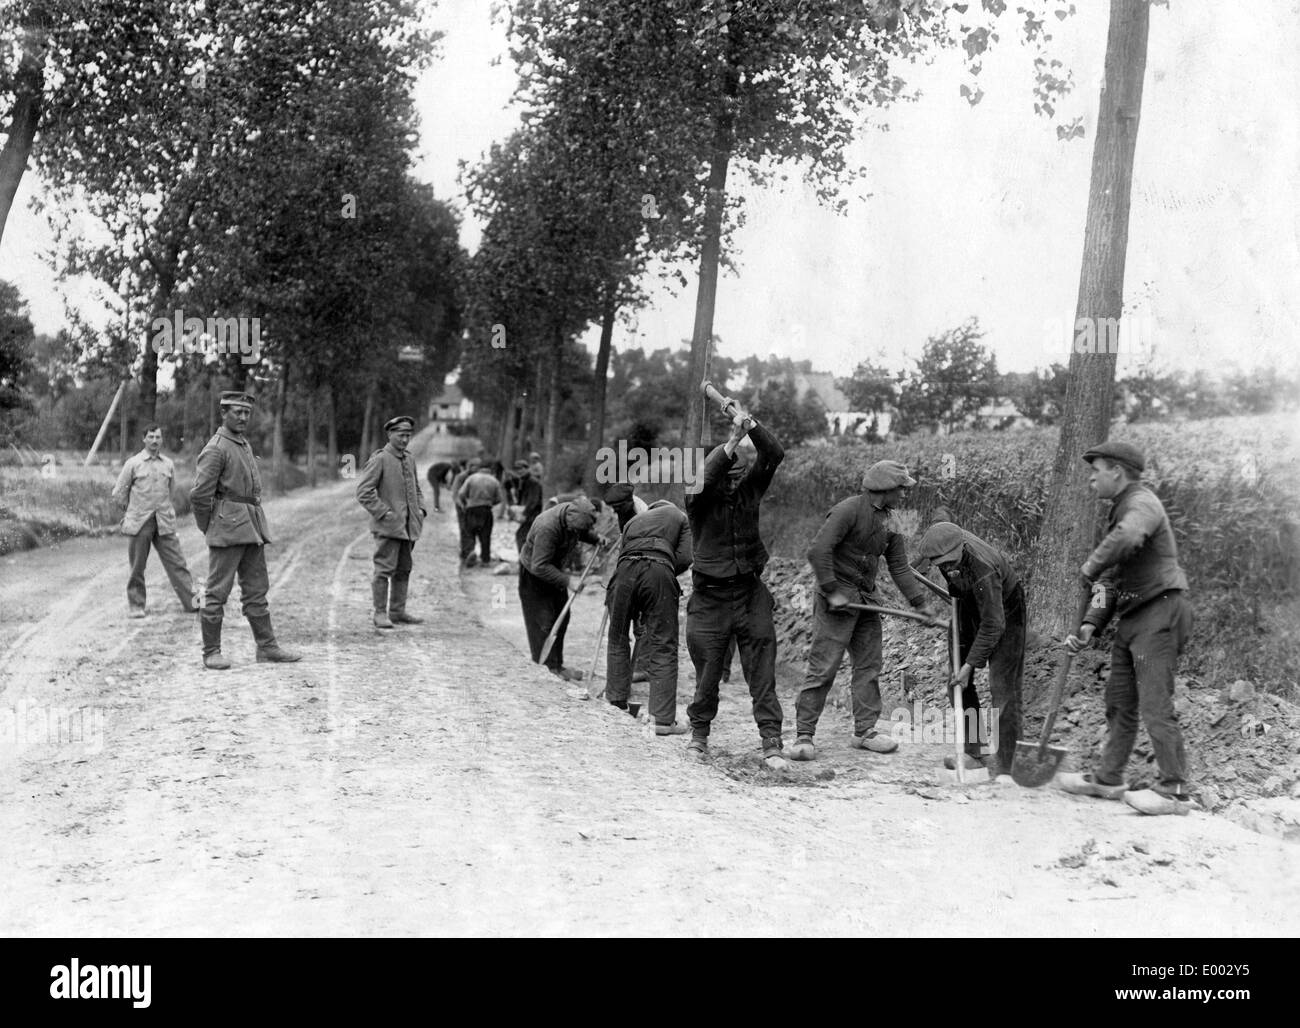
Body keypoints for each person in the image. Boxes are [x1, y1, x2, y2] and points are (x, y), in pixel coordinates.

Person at [1059, 441, 1194, 816]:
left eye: (1096, 469)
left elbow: (1125, 542)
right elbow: (1110, 581)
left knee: (1155, 704)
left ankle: (1173, 791)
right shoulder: (1120, 512)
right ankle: (1108, 778)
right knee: (1119, 702)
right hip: (1134, 616)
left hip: (1161, 610)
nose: (1091, 477)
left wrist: (1090, 564)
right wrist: (1089, 624)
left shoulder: (1141, 505)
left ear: (1117, 471)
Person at [789, 461, 938, 761]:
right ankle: (804, 734)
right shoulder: (847, 510)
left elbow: (899, 565)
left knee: (869, 667)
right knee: (824, 667)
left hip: (867, 600)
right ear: (886, 490)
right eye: (901, 489)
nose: (904, 496)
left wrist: (919, 604)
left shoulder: (896, 519)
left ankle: (865, 731)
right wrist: (831, 590)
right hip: (836, 601)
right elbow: (818, 551)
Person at [684, 412, 786, 766]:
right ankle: (699, 736)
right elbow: (706, 476)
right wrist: (731, 440)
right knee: (708, 670)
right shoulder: (698, 498)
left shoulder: (749, 492)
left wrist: (752, 426)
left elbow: (774, 454)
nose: (734, 484)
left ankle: (771, 740)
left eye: (738, 477)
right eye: (728, 478)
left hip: (749, 592)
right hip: (709, 598)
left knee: (762, 670)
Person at [189, 391, 300, 669]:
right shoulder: (216, 448)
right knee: (216, 592)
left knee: (256, 589)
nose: (242, 417)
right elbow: (200, 496)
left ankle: (267, 647)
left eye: (246, 413)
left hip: (251, 527)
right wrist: (211, 526)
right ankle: (211, 652)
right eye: (237, 412)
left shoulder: (242, 444)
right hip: (227, 530)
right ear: (224, 413)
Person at [916, 520, 1025, 777]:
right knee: (957, 683)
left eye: (952, 563)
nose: (948, 568)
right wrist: (960, 668)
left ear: (961, 547)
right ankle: (975, 752)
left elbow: (993, 624)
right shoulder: (943, 547)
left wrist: (970, 665)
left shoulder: (983, 568)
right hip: (965, 603)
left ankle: (1009, 767)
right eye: (942, 565)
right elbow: (924, 568)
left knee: (1002, 687)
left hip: (1005, 611)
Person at [605, 497, 692, 735]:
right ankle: (662, 720)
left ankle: (615, 702)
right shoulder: (679, 517)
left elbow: (622, 556)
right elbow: (685, 558)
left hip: (624, 573)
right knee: (663, 644)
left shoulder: (634, 521)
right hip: (658, 570)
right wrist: (661, 570)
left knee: (618, 636)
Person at [111, 423, 197, 618]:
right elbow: (118, 494)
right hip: (140, 523)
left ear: (161, 439)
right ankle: (136, 606)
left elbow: (172, 491)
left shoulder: (168, 464)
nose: (154, 441)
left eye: (158, 437)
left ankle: (193, 603)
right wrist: (132, 511)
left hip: (164, 521)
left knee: (178, 563)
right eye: (151, 437)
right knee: (137, 567)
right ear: (144, 439)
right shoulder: (133, 464)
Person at [518, 496, 603, 681]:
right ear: (567, 521)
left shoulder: (575, 513)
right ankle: (546, 670)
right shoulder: (547, 527)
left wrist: (595, 538)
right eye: (574, 529)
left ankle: (556, 665)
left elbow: (580, 531)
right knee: (543, 623)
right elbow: (538, 566)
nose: (576, 532)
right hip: (534, 576)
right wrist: (568, 581)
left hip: (554, 570)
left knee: (561, 618)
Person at [355, 415, 427, 629]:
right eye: (401, 435)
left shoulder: (409, 459)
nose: (405, 440)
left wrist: (421, 509)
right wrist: (383, 513)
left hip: (408, 527)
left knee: (404, 568)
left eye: (408, 435)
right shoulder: (380, 459)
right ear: (390, 434)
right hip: (389, 527)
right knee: (384, 569)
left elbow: (417, 488)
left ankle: (397, 611)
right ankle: (379, 613)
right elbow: (364, 492)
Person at [457, 459, 507, 566]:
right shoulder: (494, 480)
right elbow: (499, 498)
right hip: (486, 510)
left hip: (471, 508)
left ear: (480, 468)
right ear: (490, 469)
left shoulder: (471, 478)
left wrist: (465, 503)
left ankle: (470, 552)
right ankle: (485, 560)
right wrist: (490, 503)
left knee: (469, 533)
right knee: (485, 535)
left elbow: (461, 493)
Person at [449, 457, 480, 566]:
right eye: (474, 467)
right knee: (464, 528)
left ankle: (469, 551)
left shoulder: (478, 477)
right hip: (462, 506)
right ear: (469, 467)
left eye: (478, 468)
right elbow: (455, 493)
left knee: (473, 528)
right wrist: (461, 505)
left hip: (474, 506)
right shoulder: (461, 477)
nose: (476, 470)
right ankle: (466, 553)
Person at [512, 458, 544, 555]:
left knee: (521, 536)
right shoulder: (523, 481)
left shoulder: (533, 482)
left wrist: (525, 514)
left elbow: (533, 501)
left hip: (532, 514)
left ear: (527, 468)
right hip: (529, 513)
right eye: (517, 469)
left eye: (521, 469)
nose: (519, 471)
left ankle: (525, 560)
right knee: (527, 537)